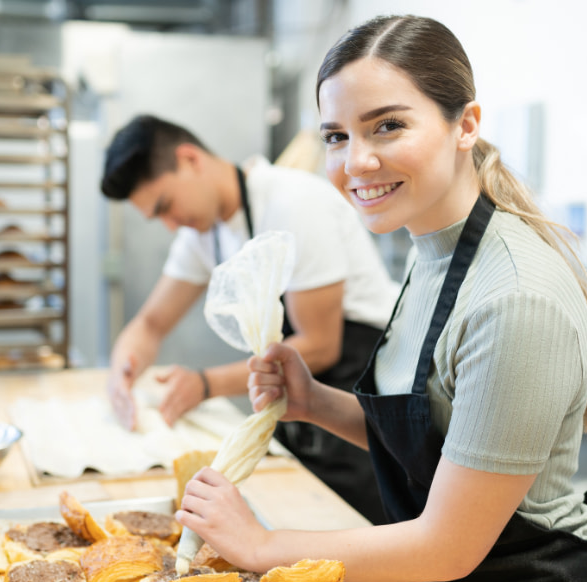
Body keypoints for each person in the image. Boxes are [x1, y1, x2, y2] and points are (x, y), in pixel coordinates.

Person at [174, 14, 587, 582]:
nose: (356, 162)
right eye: (336, 136)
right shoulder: (433, 252)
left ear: (465, 125)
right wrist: (314, 403)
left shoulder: (516, 301)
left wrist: (262, 545)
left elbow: (449, 545)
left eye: (387, 126)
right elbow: (442, 443)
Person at [100, 114, 400, 525]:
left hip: (358, 390)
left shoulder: (293, 202)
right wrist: (121, 374)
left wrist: (204, 385)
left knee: (353, 530)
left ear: (190, 159)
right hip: (299, 403)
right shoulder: (203, 234)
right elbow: (150, 324)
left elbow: (320, 344)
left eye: (166, 206)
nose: (170, 226)